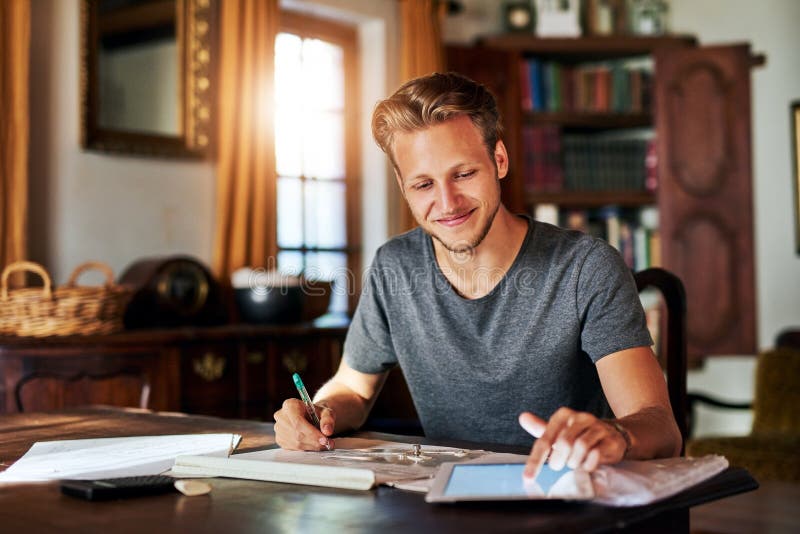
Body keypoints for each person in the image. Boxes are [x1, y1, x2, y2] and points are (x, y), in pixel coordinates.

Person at [273, 72, 681, 480]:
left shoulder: (586, 267)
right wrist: (318, 412)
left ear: (499, 160)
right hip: (444, 498)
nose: (447, 203)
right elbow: (354, 390)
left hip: (562, 493)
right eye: (423, 184)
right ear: (402, 184)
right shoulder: (394, 266)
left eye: (463, 174)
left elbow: (659, 426)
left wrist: (617, 435)